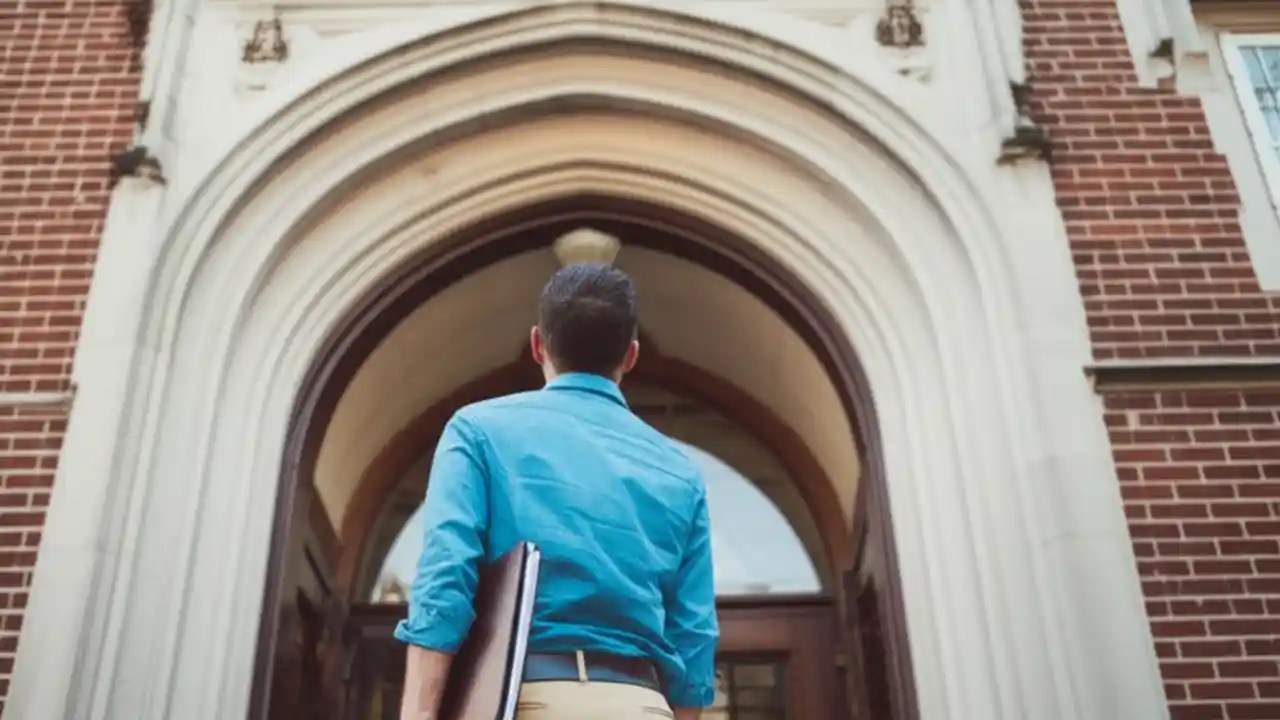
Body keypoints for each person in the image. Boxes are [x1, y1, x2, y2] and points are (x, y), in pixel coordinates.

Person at [396, 262, 719, 720]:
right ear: (631, 356)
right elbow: (694, 632)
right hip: (641, 703)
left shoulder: (477, 431)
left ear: (537, 344)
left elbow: (445, 578)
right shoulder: (680, 471)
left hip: (521, 697)